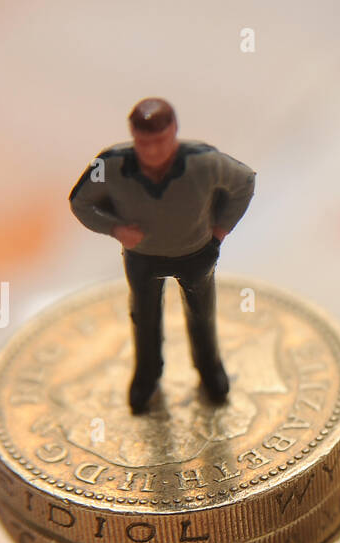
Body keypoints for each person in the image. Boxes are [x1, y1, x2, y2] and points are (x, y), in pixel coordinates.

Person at [69, 97, 256, 411]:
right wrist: (115, 229)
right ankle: (147, 375)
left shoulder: (204, 162)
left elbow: (244, 181)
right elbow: (81, 202)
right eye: (144, 142)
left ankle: (209, 369)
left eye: (160, 141)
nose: (152, 150)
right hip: (142, 258)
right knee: (143, 318)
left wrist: (220, 229)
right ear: (133, 136)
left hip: (196, 253)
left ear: (174, 133)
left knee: (202, 316)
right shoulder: (111, 164)